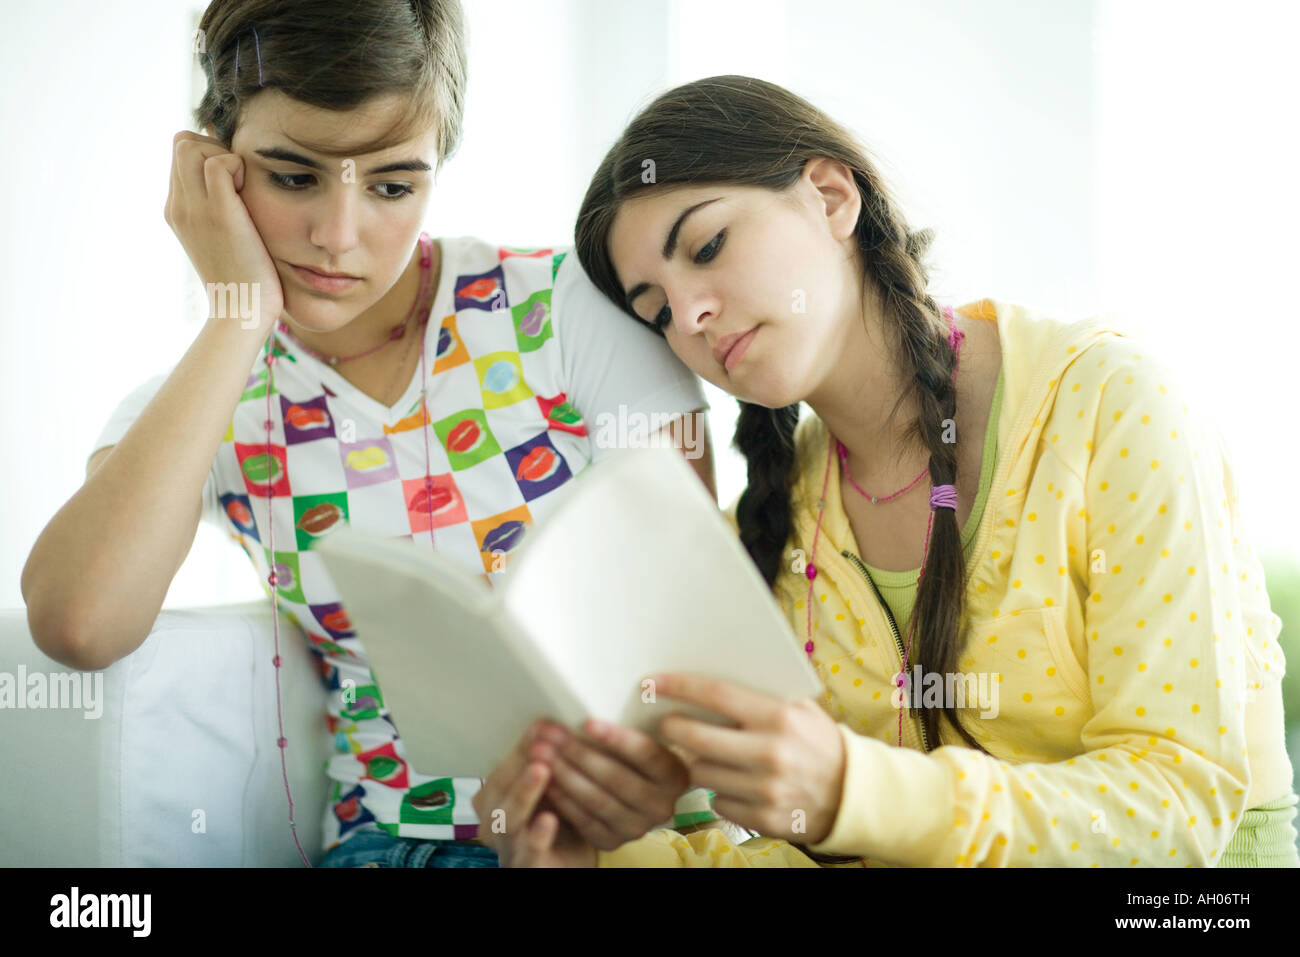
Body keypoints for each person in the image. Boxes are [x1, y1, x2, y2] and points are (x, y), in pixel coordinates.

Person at [473, 74, 1299, 867]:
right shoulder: (775, 521)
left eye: (708, 245)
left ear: (831, 196)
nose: (688, 315)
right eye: (656, 310)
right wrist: (592, 855)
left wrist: (852, 788)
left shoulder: (1110, 407)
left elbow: (1179, 805)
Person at [20, 0, 722, 869]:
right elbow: (78, 623)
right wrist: (238, 318)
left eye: (392, 186)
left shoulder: (563, 309)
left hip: (631, 839)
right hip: (393, 845)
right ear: (212, 160)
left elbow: (699, 612)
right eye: (291, 175)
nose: (337, 237)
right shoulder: (201, 398)